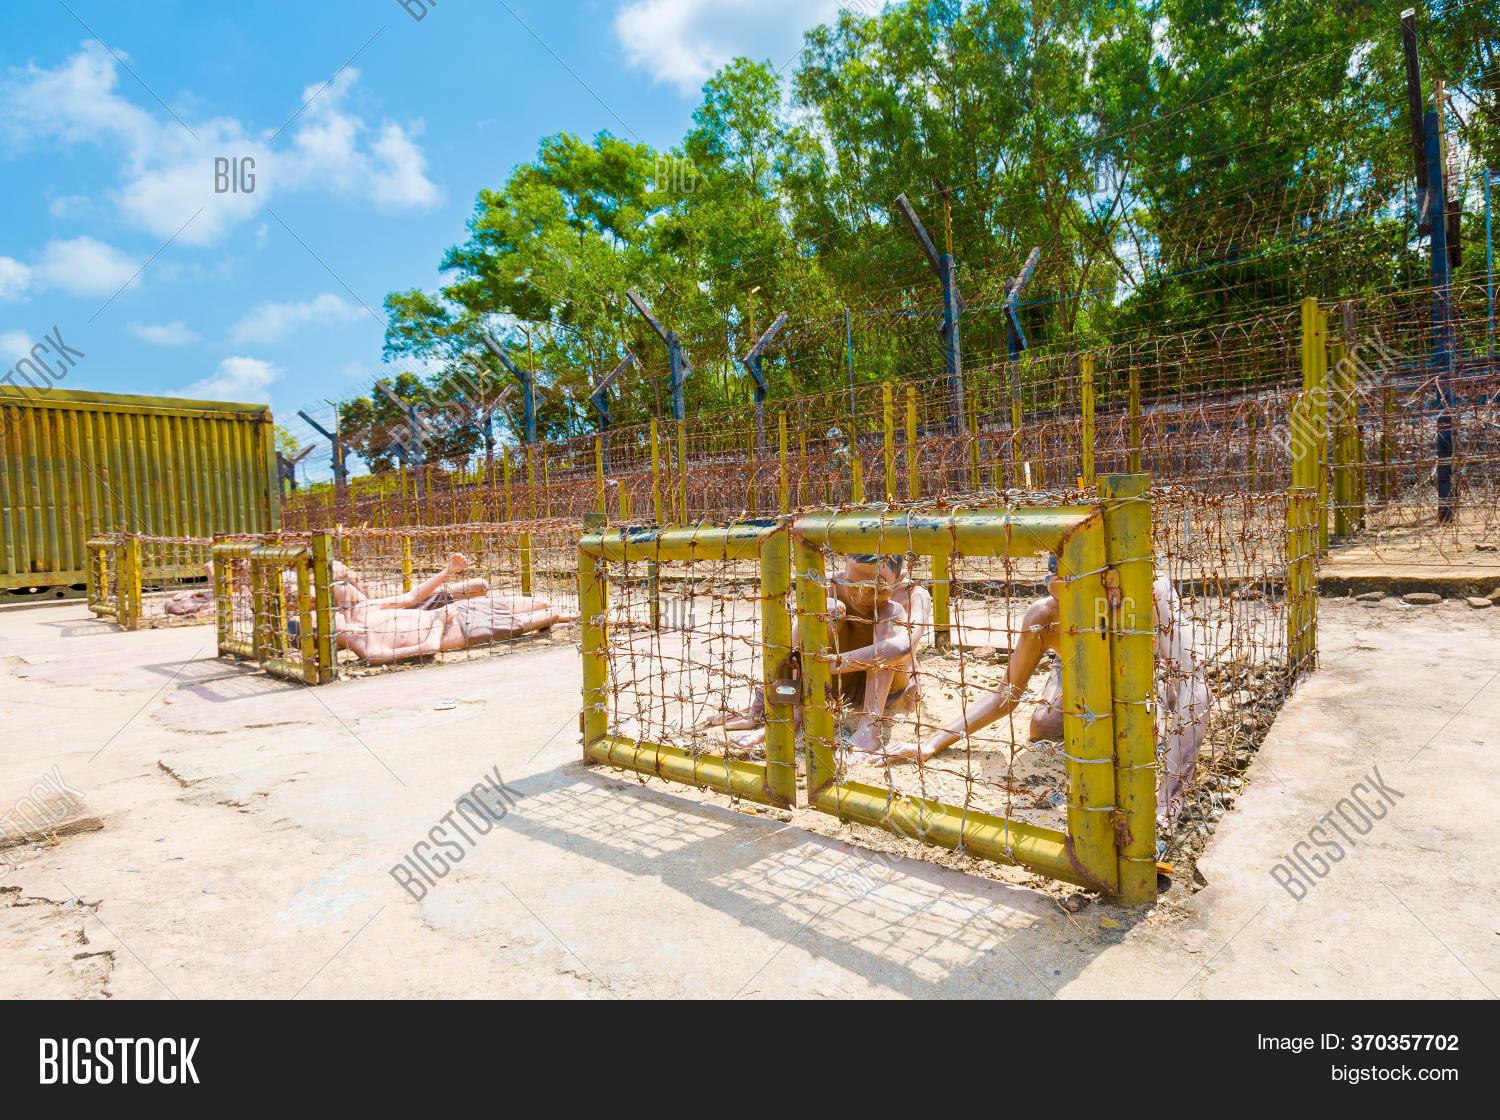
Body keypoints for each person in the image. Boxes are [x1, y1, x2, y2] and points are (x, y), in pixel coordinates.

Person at [894, 556, 1211, 823]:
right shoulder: (1045, 614)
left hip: (1138, 668)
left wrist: (1167, 800)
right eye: (1057, 591)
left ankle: (1154, 689)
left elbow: (1196, 689)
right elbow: (1006, 695)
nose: (1062, 600)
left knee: (1147, 727)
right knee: (1043, 725)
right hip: (1079, 664)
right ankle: (1062, 672)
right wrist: (932, 744)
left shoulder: (1151, 589)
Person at [711, 553, 932, 755]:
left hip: (891, 690)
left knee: (891, 613)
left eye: (877, 589)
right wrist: (770, 699)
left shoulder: (914, 594)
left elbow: (901, 647)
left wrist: (826, 665)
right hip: (837, 688)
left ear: (899, 577)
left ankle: (869, 727)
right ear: (844, 566)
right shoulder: (830, 584)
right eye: (853, 584)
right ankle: (790, 714)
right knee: (825, 607)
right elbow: (794, 652)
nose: (861, 597)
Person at [331, 553, 572, 664]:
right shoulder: (369, 650)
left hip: (459, 609)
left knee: (543, 604)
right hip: (460, 630)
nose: (333, 616)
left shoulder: (365, 609)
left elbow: (412, 596)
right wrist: (438, 622)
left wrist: (448, 570)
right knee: (549, 613)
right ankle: (564, 620)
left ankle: (561, 620)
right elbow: (428, 648)